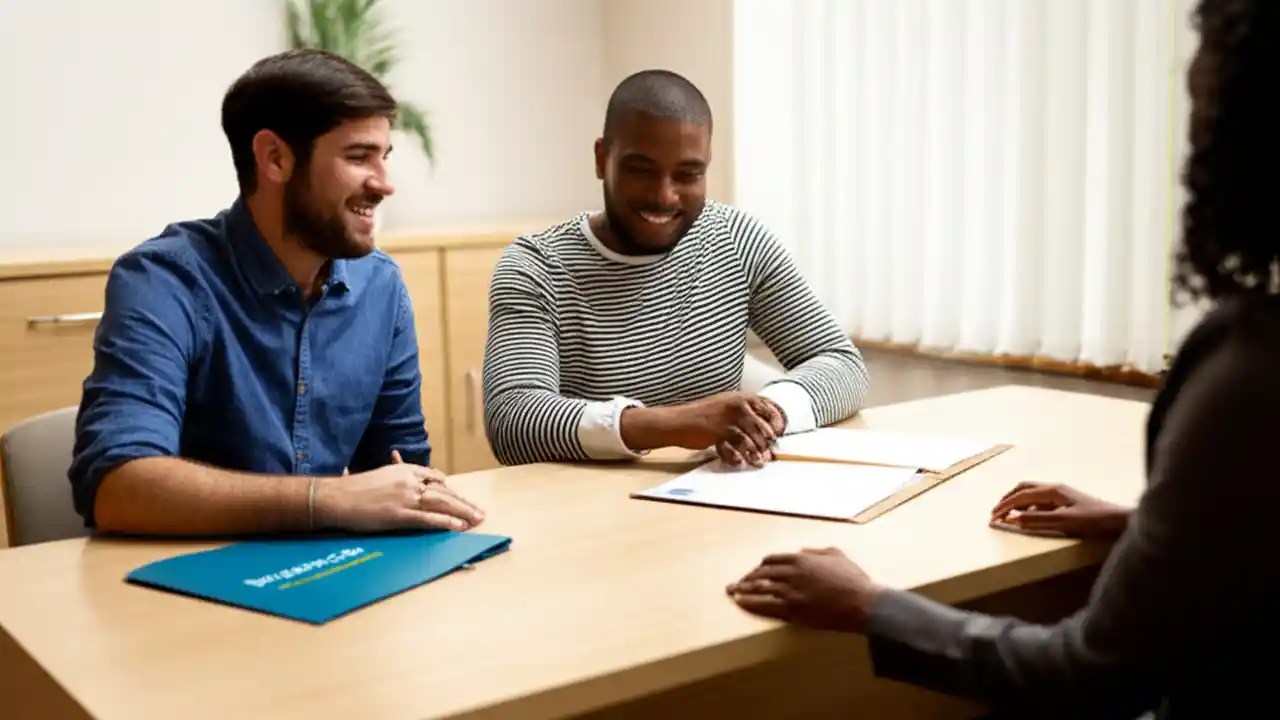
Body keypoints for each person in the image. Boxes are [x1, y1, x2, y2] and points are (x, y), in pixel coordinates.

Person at [726, 2, 1280, 716]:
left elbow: (1091, 674)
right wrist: (1149, 527)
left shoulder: (1250, 376)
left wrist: (873, 606)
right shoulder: (539, 269)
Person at [69, 50, 484, 536]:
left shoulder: (380, 285)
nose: (385, 184)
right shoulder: (164, 280)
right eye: (358, 156)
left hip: (328, 581)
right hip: (186, 584)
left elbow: (401, 466)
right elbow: (117, 487)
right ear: (275, 158)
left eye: (385, 157)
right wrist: (326, 500)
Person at [482, 70, 870, 468]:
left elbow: (841, 363)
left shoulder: (738, 240)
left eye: (688, 175)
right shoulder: (536, 266)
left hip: (714, 503)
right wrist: (676, 424)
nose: (664, 196)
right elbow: (513, 422)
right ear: (601, 159)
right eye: (641, 170)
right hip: (587, 513)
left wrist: (768, 413)